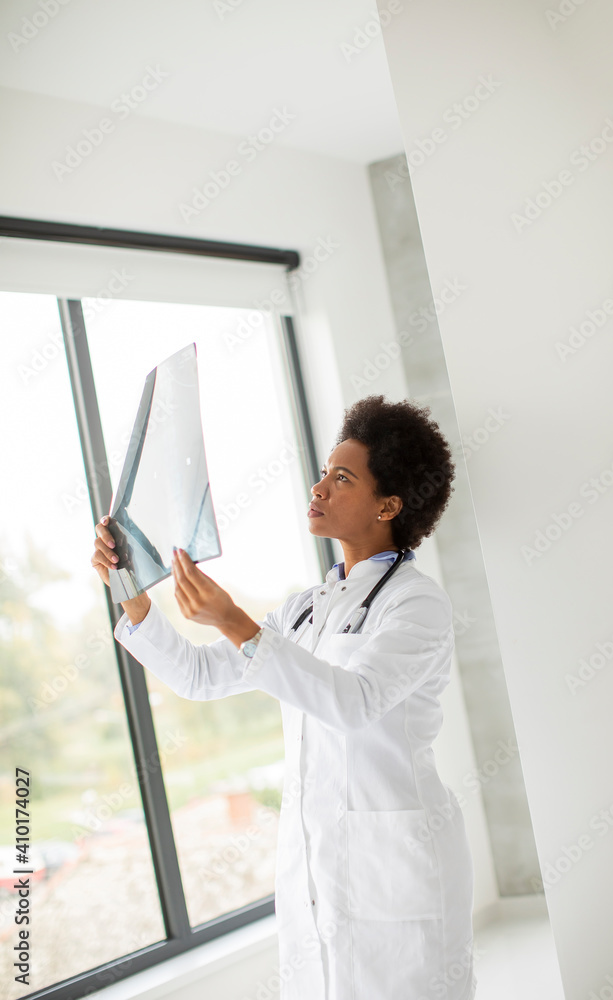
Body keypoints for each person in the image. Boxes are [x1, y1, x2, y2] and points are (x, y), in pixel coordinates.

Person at [91, 394, 477, 999]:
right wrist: (131, 591)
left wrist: (237, 623)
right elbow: (198, 675)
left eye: (342, 477)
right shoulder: (306, 609)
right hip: (317, 867)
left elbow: (353, 703)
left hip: (395, 869)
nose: (319, 487)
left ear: (389, 505)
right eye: (324, 471)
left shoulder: (416, 603)